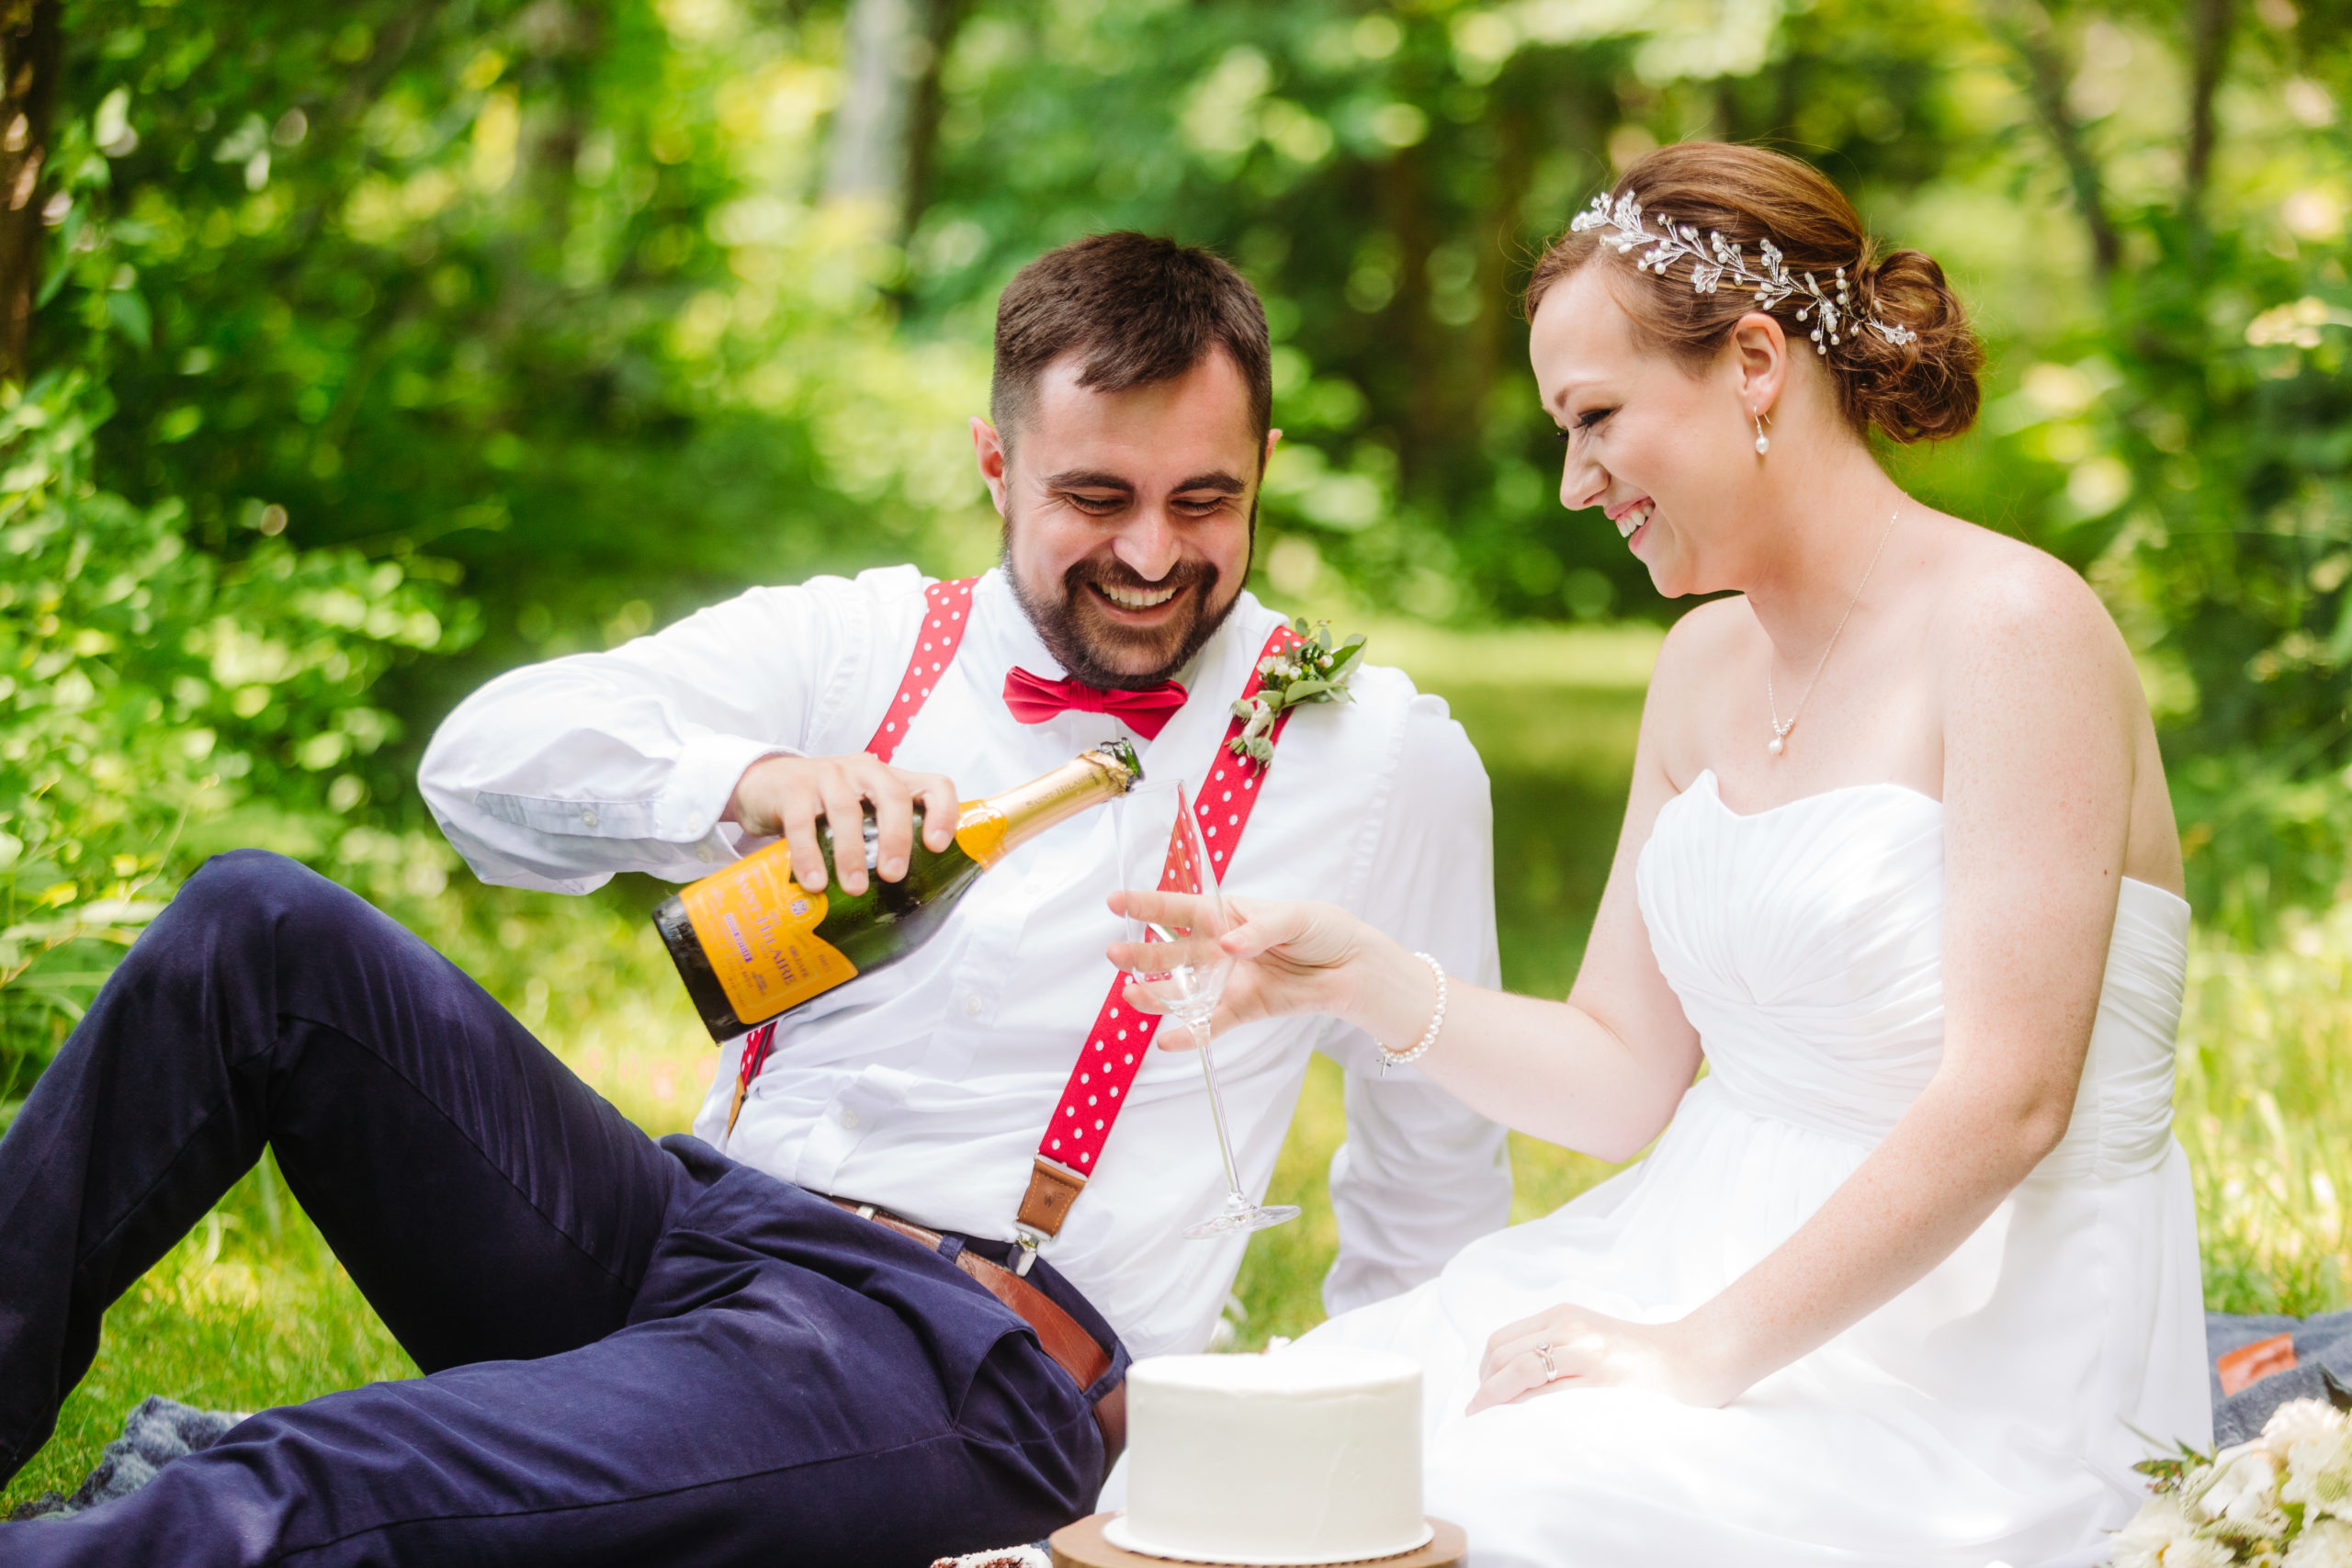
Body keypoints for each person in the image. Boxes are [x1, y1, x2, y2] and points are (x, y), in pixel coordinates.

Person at [0, 232, 1510, 1567]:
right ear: (995, 466)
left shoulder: (1378, 759)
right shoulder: (860, 642)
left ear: (1264, 470)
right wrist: (751, 782)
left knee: (336, 1474)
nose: (1152, 554)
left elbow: (1433, 1170)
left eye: (1206, 502)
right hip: (683, 1233)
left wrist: (1328, 1470)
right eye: (1094, 496)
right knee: (260, 931)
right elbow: (478, 769)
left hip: (953, 1357)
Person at [1110, 143, 2209, 1568]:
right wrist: (1368, 981)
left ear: (1755, 361)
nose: (1576, 483)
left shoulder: (2013, 629)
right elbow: (1627, 1078)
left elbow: (2010, 1103)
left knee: (1469, 1520)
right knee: (1247, 1461)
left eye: (1596, 417)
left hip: (1967, 1340)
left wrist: (1693, 1354)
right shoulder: (1702, 665)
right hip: (1679, 1250)